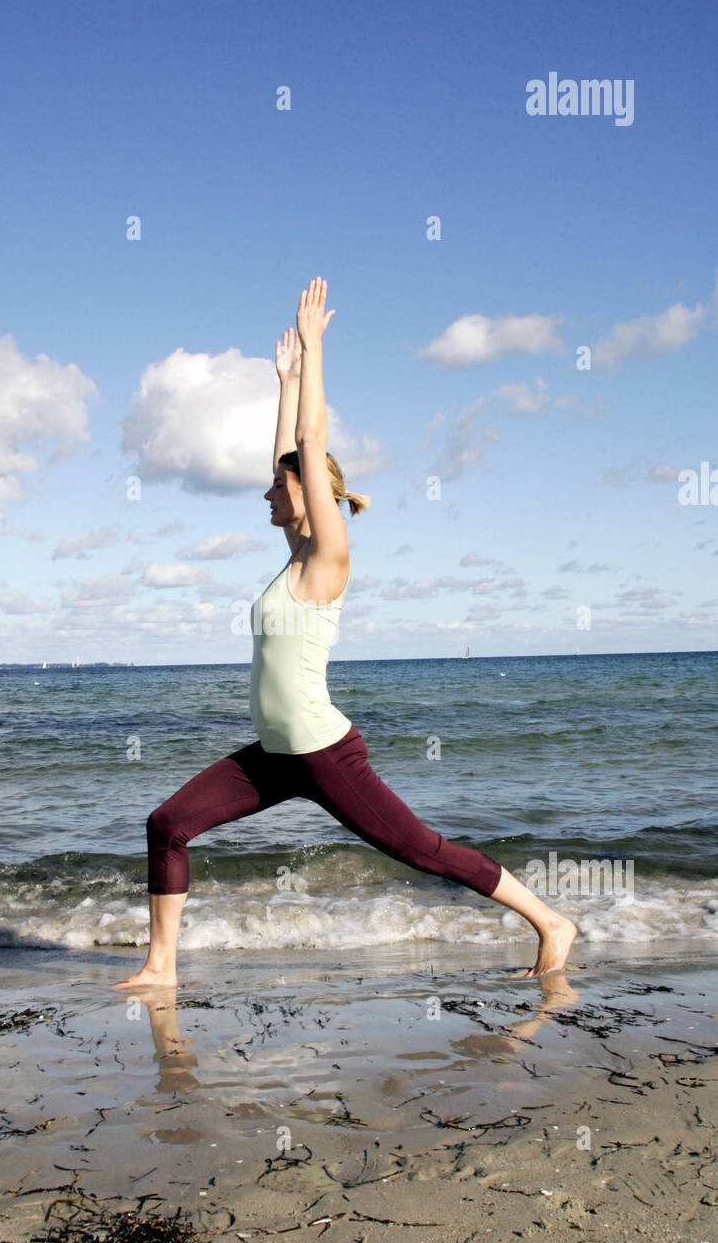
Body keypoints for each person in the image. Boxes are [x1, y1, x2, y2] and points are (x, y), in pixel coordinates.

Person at [115, 278, 577, 990]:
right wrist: (284, 379)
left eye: (279, 485)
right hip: (273, 754)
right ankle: (161, 968)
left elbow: (310, 440)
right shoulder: (293, 558)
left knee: (422, 850)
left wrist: (317, 348)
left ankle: (550, 921)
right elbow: (290, 449)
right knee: (167, 823)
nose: (268, 492)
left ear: (310, 493)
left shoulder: (328, 559)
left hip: (325, 753)